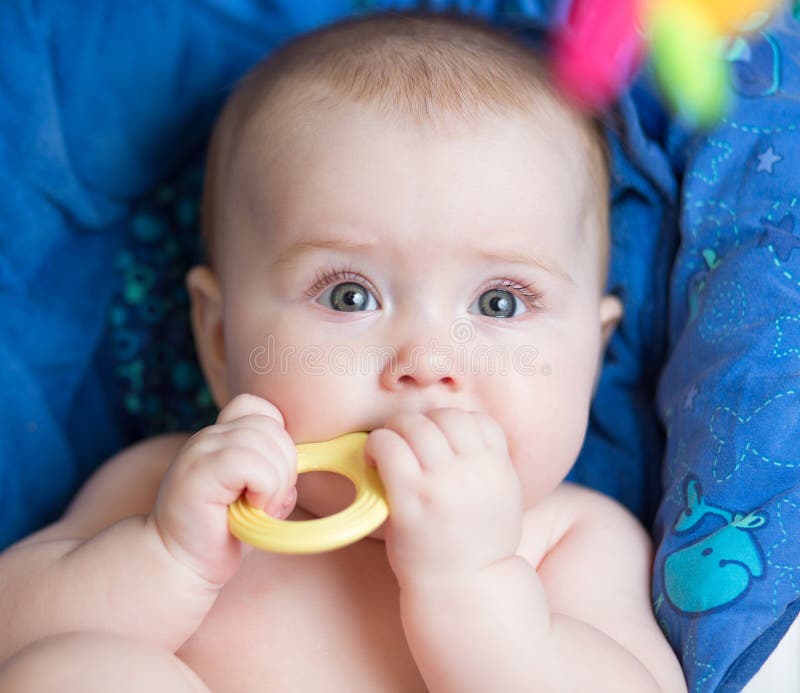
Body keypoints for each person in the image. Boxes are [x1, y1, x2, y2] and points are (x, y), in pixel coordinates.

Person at [0, 11, 687, 692]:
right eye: (349, 296)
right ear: (218, 338)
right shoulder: (171, 487)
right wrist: (165, 556)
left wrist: (472, 584)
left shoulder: (571, 538)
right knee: (70, 671)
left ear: (591, 355)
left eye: (499, 302)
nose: (425, 358)